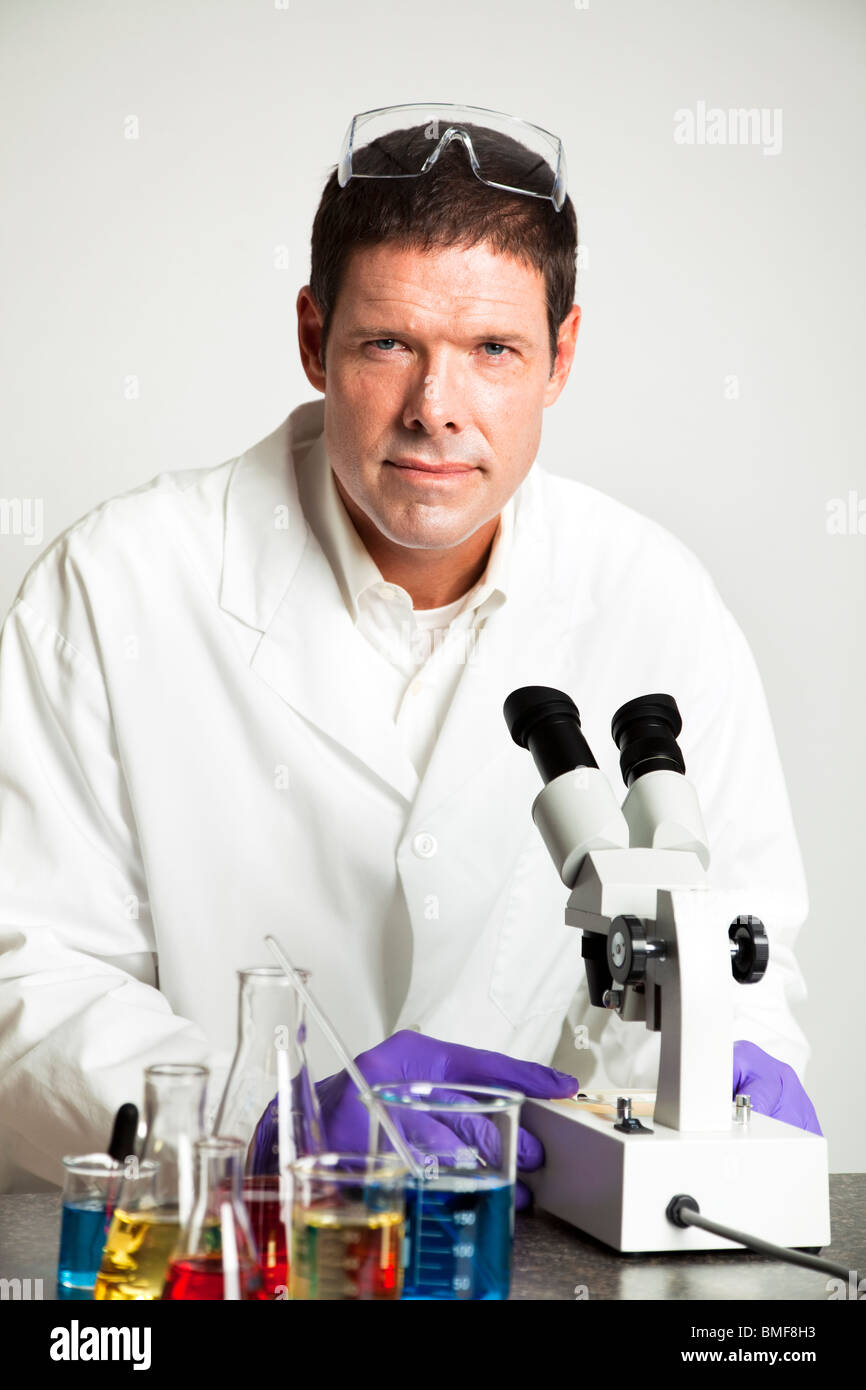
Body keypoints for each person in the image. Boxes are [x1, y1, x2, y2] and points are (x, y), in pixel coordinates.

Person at [0, 104, 819, 1194]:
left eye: (493, 350)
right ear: (312, 339)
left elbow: (731, 953)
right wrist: (270, 1124)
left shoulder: (654, 598)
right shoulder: (115, 585)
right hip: (216, 1246)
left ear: (559, 357)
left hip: (535, 1241)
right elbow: (26, 980)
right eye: (389, 343)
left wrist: (719, 1077)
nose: (437, 409)